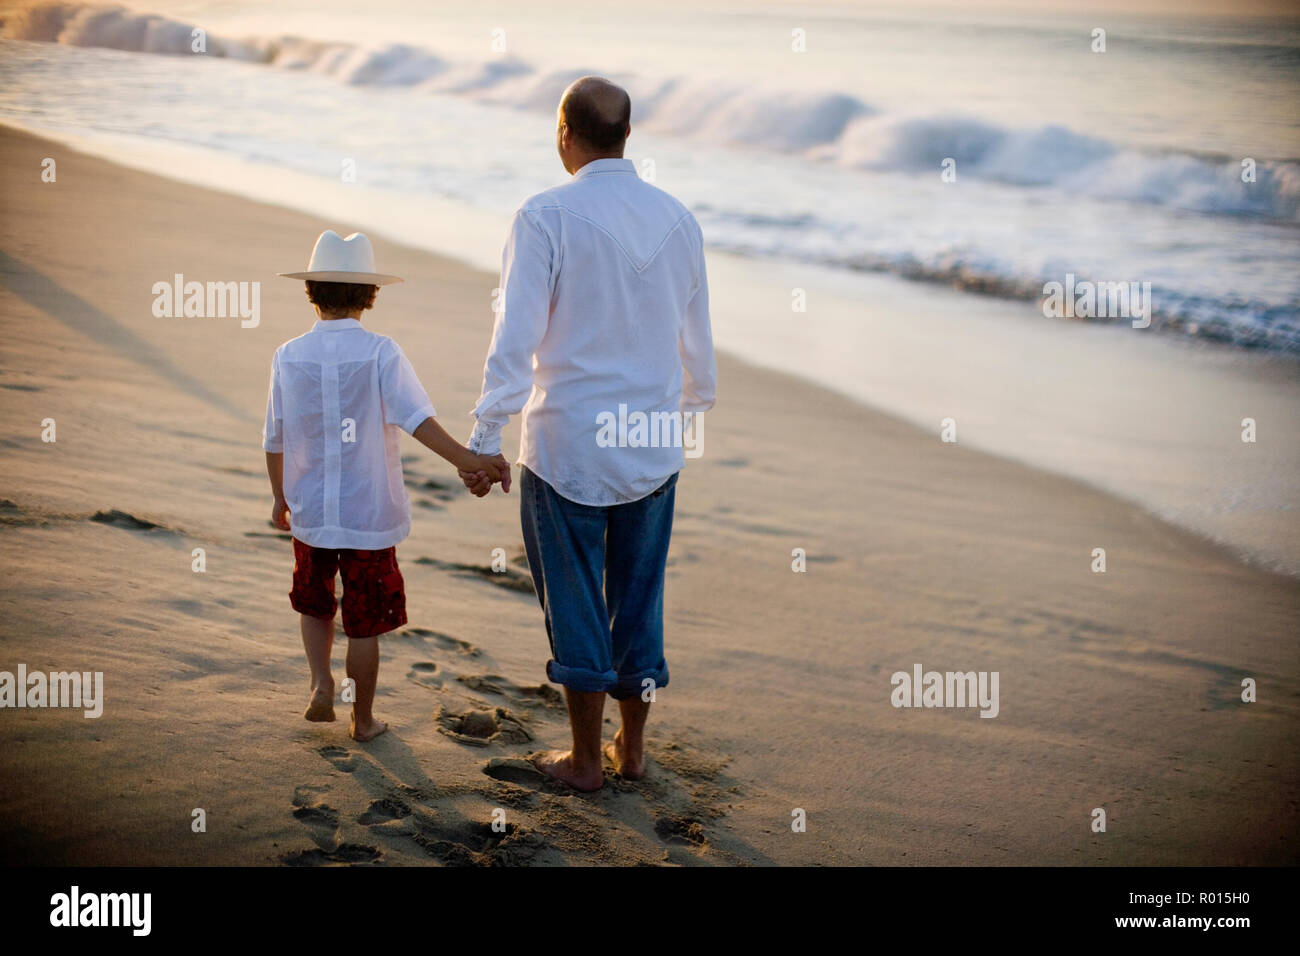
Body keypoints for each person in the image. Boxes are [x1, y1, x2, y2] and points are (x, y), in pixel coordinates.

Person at [459, 77, 717, 791]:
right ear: (628, 136)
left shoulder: (544, 215)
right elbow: (697, 338)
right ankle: (631, 753)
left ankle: (582, 760)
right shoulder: (679, 219)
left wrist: (486, 436)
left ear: (564, 134)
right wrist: (690, 407)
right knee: (639, 599)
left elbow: (515, 339)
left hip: (567, 443)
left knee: (572, 600)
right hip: (652, 444)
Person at [264, 230, 507, 741]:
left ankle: (319, 686)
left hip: (311, 513)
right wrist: (472, 460)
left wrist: (280, 497)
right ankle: (364, 719)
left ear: (311, 289)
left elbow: (275, 438)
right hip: (368, 514)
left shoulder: (288, 355)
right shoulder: (380, 353)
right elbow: (418, 420)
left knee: (315, 602)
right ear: (370, 294)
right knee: (365, 621)